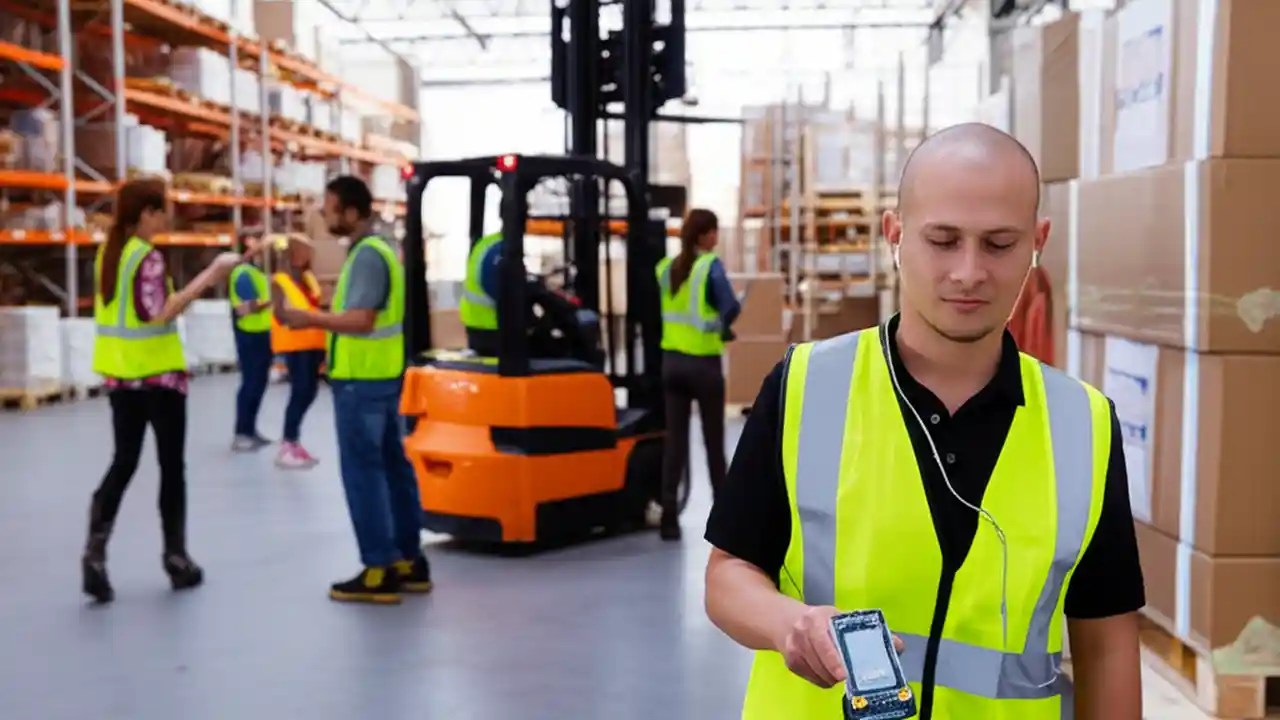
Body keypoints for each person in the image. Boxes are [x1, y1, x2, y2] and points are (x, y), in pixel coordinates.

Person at [703, 124, 1144, 720]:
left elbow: (1108, 642)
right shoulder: (807, 386)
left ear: (1038, 242)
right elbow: (727, 575)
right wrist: (789, 623)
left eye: (998, 244)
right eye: (942, 240)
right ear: (895, 234)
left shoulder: (1082, 424)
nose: (968, 272)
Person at [83, 176, 243, 603]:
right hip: (160, 380)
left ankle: (94, 554)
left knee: (123, 462)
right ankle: (176, 558)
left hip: (121, 378)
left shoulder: (108, 255)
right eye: (162, 209)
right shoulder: (147, 258)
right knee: (171, 468)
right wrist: (212, 274)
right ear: (146, 213)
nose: (166, 217)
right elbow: (161, 312)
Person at [275, 175, 431, 604]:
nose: (325, 217)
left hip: (363, 384)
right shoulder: (381, 249)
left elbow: (361, 321)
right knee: (393, 469)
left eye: (329, 209)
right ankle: (408, 559)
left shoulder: (366, 256)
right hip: (382, 378)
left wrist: (310, 320)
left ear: (351, 212)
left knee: (364, 474)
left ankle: (379, 566)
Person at [655, 208, 740, 541]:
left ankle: (667, 519)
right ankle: (726, 519)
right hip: (703, 366)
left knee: (674, 443)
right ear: (705, 235)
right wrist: (723, 326)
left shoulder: (665, 269)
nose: (717, 238)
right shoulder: (710, 267)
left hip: (671, 364)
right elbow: (729, 307)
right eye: (714, 231)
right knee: (713, 442)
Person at [269, 234, 326, 469]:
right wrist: (303, 319)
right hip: (295, 345)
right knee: (300, 392)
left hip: (314, 343)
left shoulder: (308, 278)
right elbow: (280, 313)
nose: (309, 255)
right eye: (304, 250)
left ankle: (294, 441)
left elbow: (316, 305)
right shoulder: (279, 281)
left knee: (309, 392)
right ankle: (287, 444)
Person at [228, 244, 273, 451]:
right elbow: (245, 308)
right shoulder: (243, 273)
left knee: (259, 383)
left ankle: (251, 429)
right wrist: (273, 301)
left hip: (261, 334)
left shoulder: (254, 272)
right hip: (250, 336)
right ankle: (242, 433)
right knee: (251, 383)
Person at [459, 230, 503, 356]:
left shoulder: (487, 243)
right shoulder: (501, 249)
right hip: (493, 330)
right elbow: (499, 290)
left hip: (476, 327)